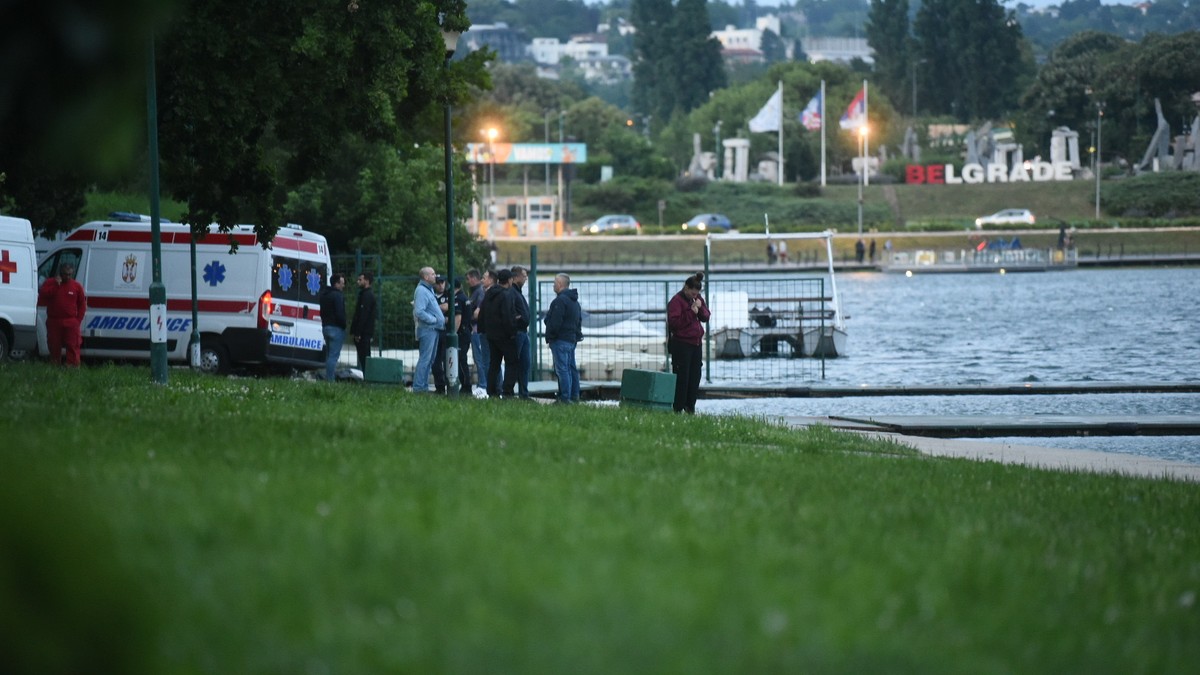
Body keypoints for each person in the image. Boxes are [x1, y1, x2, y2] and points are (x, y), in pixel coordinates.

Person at [666, 272, 710, 414]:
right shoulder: (675, 302)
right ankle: (678, 408)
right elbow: (674, 324)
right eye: (692, 293)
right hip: (681, 345)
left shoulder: (697, 299)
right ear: (686, 288)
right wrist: (691, 312)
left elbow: (706, 316)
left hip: (696, 344)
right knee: (682, 379)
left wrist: (700, 309)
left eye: (696, 293)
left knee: (695, 378)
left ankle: (690, 407)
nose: (694, 296)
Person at [478, 268, 519, 398]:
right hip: (505, 336)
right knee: (512, 363)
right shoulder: (506, 295)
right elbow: (507, 316)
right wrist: (512, 331)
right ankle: (507, 392)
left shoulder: (489, 294)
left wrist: (483, 330)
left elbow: (482, 314)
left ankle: (492, 392)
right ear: (509, 280)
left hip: (491, 335)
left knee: (494, 364)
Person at [38, 262, 87, 366]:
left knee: (73, 346)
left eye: (70, 274)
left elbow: (82, 304)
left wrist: (77, 321)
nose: (67, 277)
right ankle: (55, 367)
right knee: (54, 346)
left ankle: (72, 367)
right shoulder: (50, 283)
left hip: (71, 321)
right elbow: (43, 295)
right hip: (54, 321)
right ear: (60, 273)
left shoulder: (76, 286)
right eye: (65, 274)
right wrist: (56, 285)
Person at [543, 273, 581, 403]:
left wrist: (550, 336)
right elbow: (578, 321)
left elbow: (554, 322)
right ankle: (574, 395)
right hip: (571, 339)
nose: (553, 285)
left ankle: (564, 398)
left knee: (562, 369)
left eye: (554, 282)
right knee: (571, 369)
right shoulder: (575, 302)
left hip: (560, 340)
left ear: (560, 284)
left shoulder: (559, 301)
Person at [412, 266, 442, 393]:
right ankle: (419, 388)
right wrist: (434, 319)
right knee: (425, 359)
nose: (436, 276)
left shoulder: (428, 290)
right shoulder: (422, 291)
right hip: (428, 329)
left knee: (429, 359)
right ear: (426, 277)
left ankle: (422, 387)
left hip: (433, 329)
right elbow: (419, 311)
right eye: (433, 274)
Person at [319, 273, 347, 381]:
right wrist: (343, 325)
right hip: (336, 328)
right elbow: (340, 313)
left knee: (329, 355)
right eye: (342, 283)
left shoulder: (324, 295)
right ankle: (330, 380)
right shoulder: (337, 296)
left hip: (326, 327)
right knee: (333, 356)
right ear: (336, 284)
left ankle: (329, 377)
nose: (343, 286)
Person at [510, 265, 532, 399]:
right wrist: (518, 318)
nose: (525, 279)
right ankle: (509, 391)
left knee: (525, 363)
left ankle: (524, 393)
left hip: (523, 332)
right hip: (517, 332)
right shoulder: (513, 292)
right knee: (514, 362)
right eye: (524, 276)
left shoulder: (518, 292)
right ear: (516, 277)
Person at [471, 269, 495, 393]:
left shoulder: (484, 293)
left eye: (484, 277)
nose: (482, 280)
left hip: (482, 332)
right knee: (487, 360)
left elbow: (477, 313)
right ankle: (490, 387)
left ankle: (484, 385)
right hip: (482, 331)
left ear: (491, 280)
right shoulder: (484, 292)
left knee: (484, 360)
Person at [350, 272, 376, 371]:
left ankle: (367, 378)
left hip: (364, 333)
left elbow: (363, 315)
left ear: (367, 281)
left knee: (364, 357)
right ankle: (367, 377)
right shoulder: (365, 295)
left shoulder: (367, 296)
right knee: (363, 357)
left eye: (360, 280)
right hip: (364, 332)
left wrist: (358, 332)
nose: (358, 282)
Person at [431, 274, 450, 393]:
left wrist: (434, 308)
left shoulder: (448, 295)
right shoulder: (431, 294)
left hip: (445, 331)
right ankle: (440, 387)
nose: (441, 285)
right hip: (434, 331)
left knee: (447, 359)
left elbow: (447, 307)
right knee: (435, 360)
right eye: (438, 283)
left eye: (442, 282)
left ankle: (450, 385)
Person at [453, 277, 472, 394]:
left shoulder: (458, 299)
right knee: (462, 360)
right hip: (466, 332)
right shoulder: (464, 297)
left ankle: (466, 386)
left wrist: (453, 334)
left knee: (460, 360)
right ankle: (466, 386)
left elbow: (458, 318)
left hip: (461, 334)